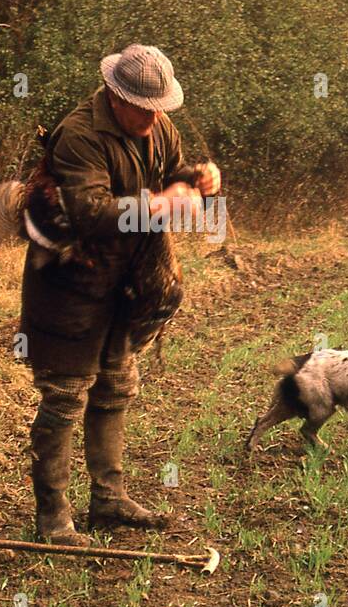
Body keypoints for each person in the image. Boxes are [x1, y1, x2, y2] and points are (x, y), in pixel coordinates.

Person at [19, 44, 220, 545]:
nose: (155, 117)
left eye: (161, 107)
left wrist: (197, 181)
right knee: (65, 396)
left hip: (126, 283)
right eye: (144, 106)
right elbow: (90, 213)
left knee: (114, 386)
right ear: (115, 94)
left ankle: (108, 501)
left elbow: (170, 179)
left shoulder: (156, 127)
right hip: (70, 282)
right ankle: (53, 519)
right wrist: (159, 204)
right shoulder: (79, 134)